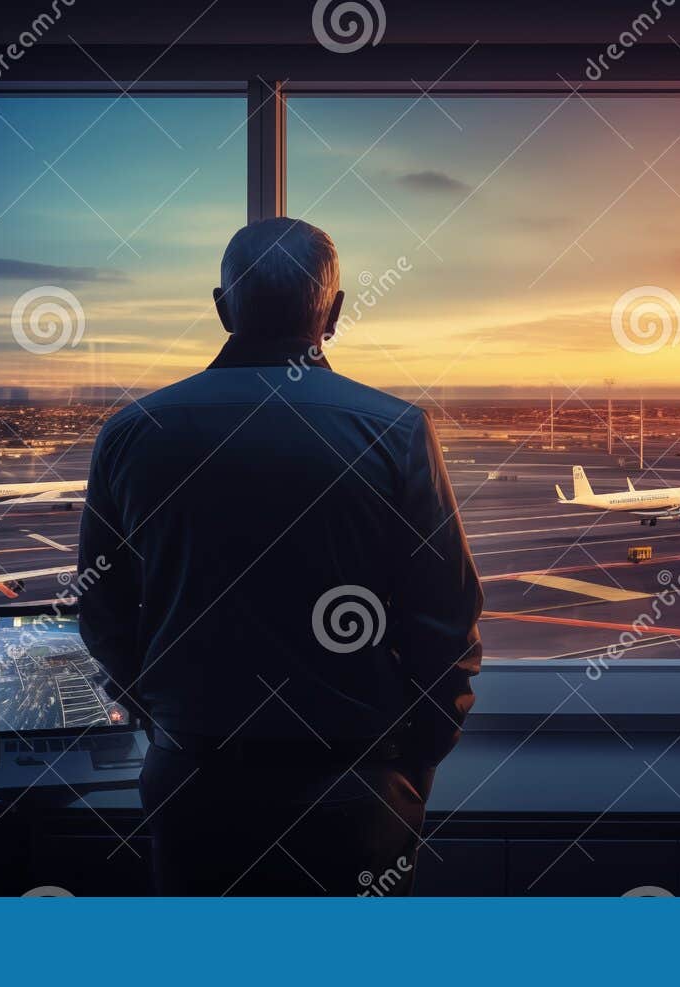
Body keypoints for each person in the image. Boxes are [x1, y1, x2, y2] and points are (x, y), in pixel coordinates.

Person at [77, 217, 482, 896]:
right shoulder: (397, 431)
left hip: (195, 779)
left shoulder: (129, 433)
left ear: (221, 307)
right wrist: (410, 760)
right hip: (357, 785)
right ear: (337, 311)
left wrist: (166, 723)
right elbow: (447, 620)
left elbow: (102, 614)